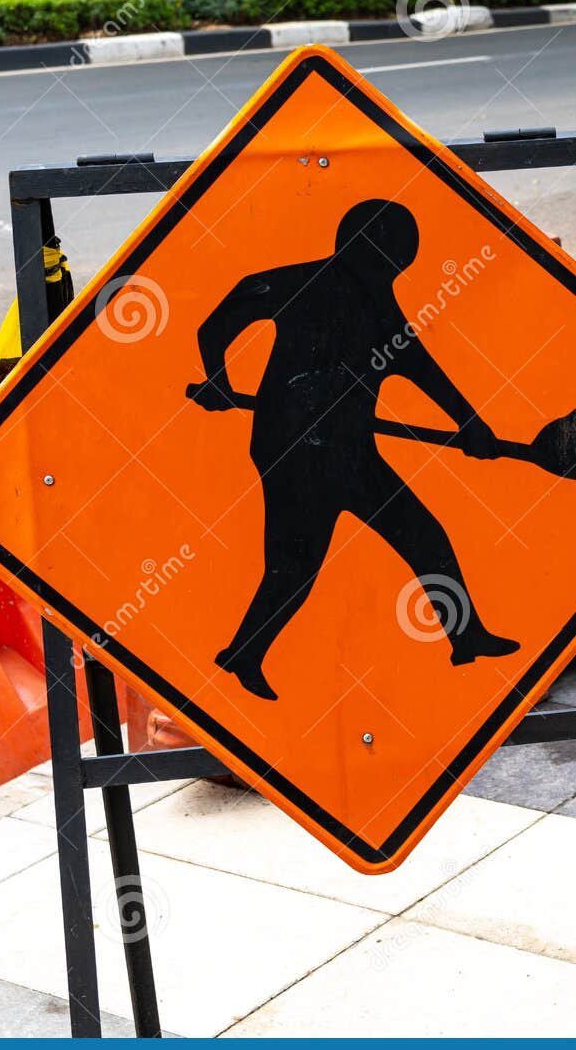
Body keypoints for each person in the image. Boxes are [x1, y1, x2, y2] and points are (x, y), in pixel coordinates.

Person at [186, 199, 520, 701]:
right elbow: (216, 324)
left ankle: (466, 636)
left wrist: (471, 424)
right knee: (295, 565)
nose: (392, 271)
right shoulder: (300, 285)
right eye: (390, 258)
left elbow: (424, 371)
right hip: (294, 453)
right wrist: (217, 379)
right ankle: (245, 653)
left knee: (423, 536)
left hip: (352, 454)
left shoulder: (380, 310)